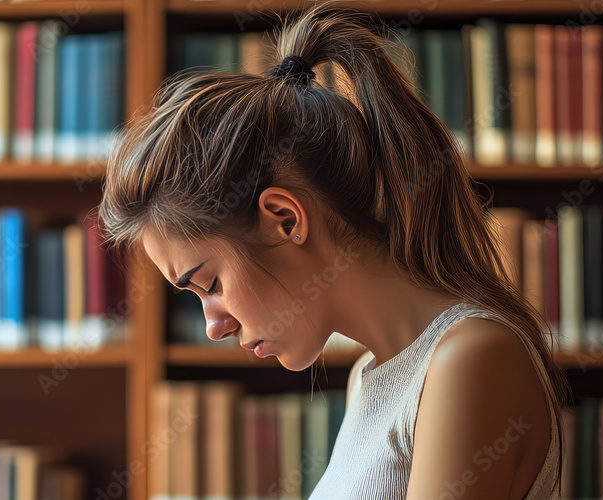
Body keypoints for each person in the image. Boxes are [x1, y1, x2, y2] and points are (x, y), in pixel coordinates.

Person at [96, 1, 569, 498]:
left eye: (209, 283)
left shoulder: (470, 360)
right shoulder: (368, 376)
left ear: (285, 218)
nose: (215, 326)